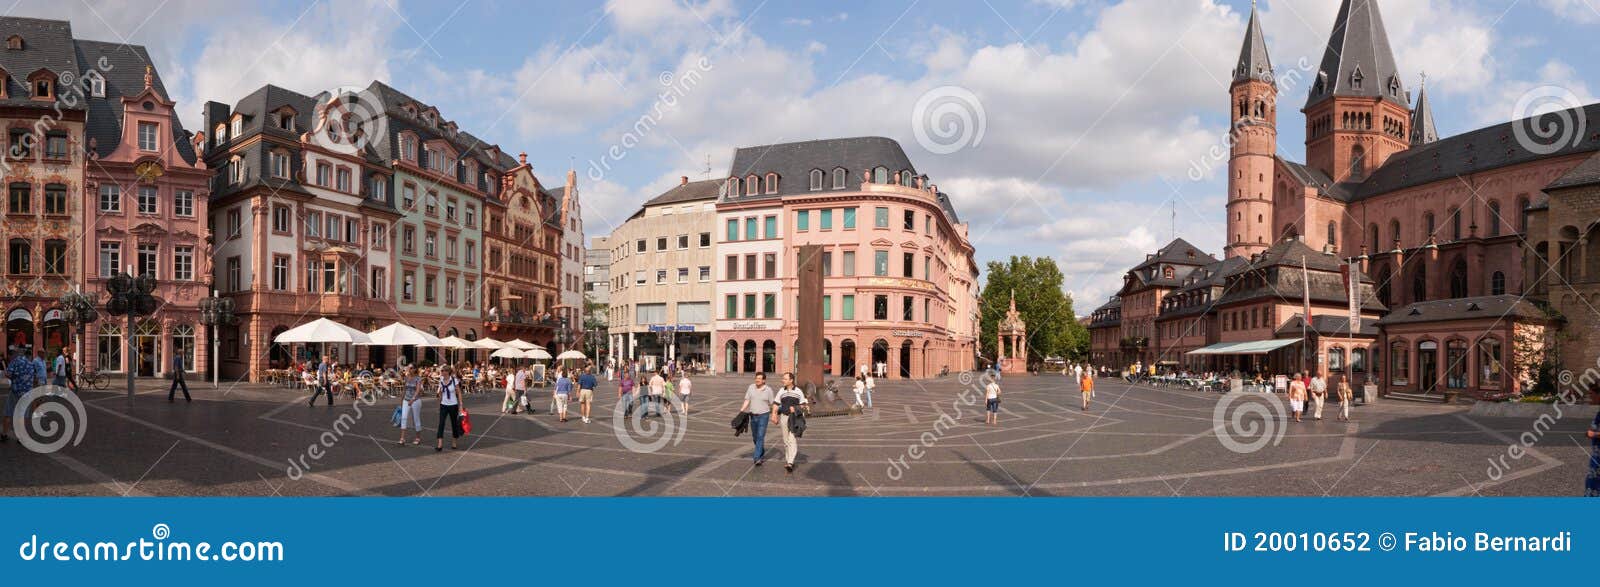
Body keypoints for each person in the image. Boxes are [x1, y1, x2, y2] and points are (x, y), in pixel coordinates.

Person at [773, 372, 809, 474]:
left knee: (792, 439)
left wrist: (796, 408)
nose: (782, 380)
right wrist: (774, 414)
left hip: (794, 418)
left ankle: (790, 462)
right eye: (783, 378)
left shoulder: (798, 391)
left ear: (791, 380)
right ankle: (788, 459)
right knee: (786, 440)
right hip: (784, 417)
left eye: (785, 379)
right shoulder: (781, 390)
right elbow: (776, 403)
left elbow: (804, 405)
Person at [738, 373, 775, 466]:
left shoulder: (768, 390)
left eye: (759, 378)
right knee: (755, 437)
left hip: (764, 416)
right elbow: (747, 400)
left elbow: (772, 403)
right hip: (753, 415)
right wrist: (741, 411)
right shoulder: (751, 387)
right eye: (756, 378)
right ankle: (761, 450)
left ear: (764, 380)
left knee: (760, 436)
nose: (757, 380)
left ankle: (757, 458)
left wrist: (774, 414)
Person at [4, 348, 38, 443]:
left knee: (8, 412)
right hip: (27, 392)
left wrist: (12, 376)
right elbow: (35, 379)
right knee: (22, 415)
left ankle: (4, 434)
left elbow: (8, 374)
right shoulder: (31, 364)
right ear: (29, 356)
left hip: (16, 391)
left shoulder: (15, 362)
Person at [434, 367, 463, 451]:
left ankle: (454, 441)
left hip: (453, 405)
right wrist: (439, 404)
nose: (441, 372)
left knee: (454, 424)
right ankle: (440, 444)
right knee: (441, 423)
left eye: (443, 371)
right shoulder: (441, 380)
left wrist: (460, 405)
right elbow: (440, 393)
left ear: (447, 372)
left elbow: (459, 393)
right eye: (441, 371)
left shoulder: (454, 380)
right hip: (443, 405)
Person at [397, 367, 423, 446]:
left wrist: (413, 399)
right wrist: (401, 401)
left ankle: (418, 438)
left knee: (416, 419)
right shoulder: (406, 378)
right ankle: (402, 438)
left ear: (415, 369)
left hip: (415, 401)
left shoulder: (418, 378)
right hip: (406, 400)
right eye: (409, 368)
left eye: (411, 368)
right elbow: (404, 390)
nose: (410, 369)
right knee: (404, 418)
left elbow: (418, 390)